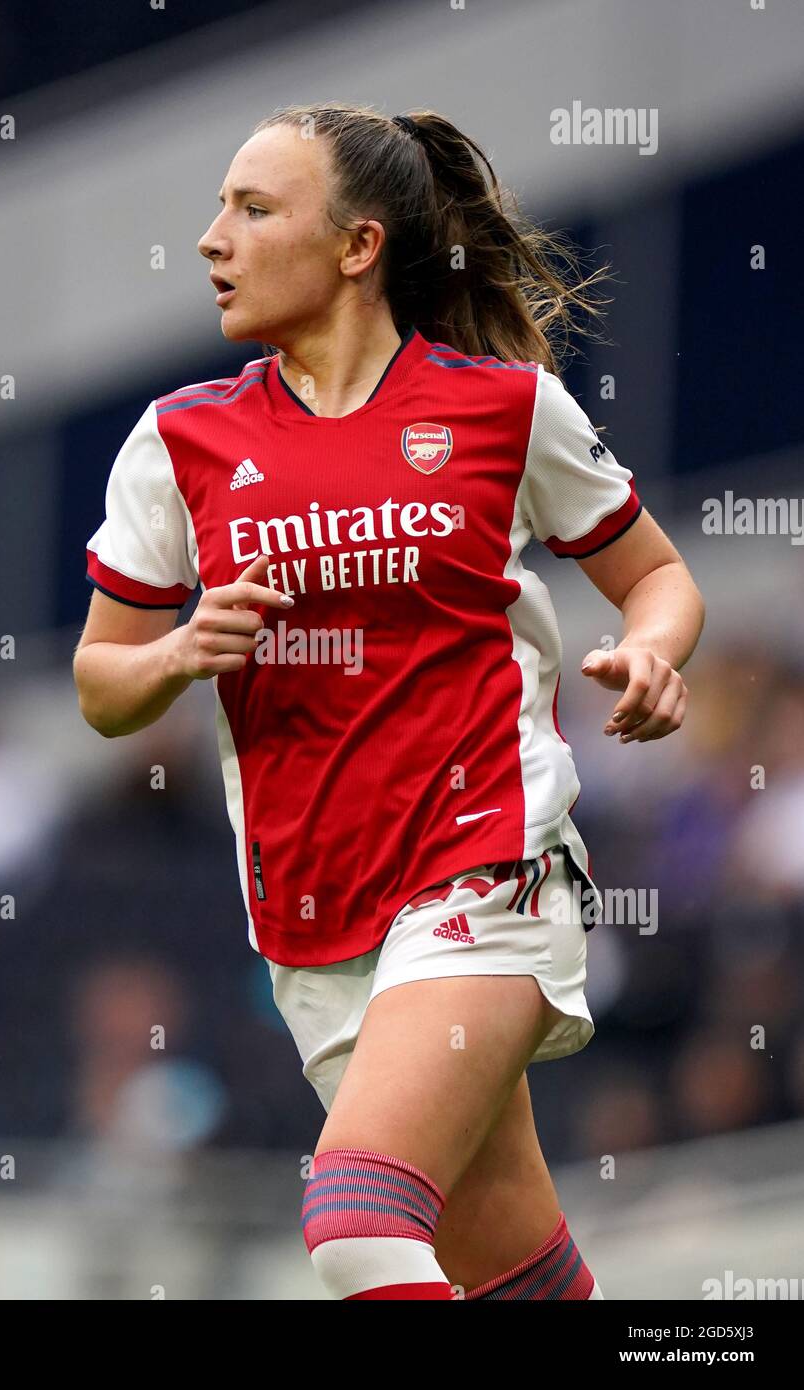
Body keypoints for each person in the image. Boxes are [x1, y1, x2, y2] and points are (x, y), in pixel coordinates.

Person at [73, 103, 705, 1300]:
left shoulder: (505, 410)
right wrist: (171, 659)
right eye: (219, 208)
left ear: (360, 246)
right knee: (520, 1277)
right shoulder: (179, 442)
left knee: (356, 1223)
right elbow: (102, 685)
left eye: (255, 209)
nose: (213, 239)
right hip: (315, 920)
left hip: (489, 866)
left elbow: (658, 576)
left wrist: (653, 650)